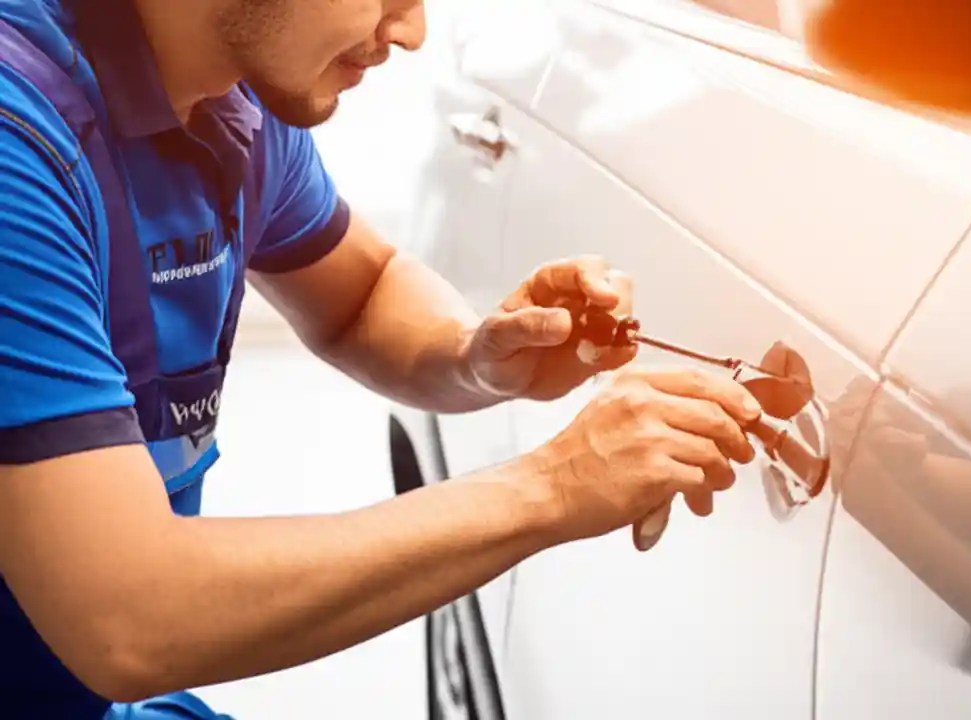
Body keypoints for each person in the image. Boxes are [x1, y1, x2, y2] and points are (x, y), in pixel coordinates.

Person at [0, 0, 763, 717]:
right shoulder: (17, 145)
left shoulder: (228, 99)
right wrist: (558, 488)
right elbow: (129, 618)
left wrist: (476, 359)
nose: (413, 30)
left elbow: (362, 294)